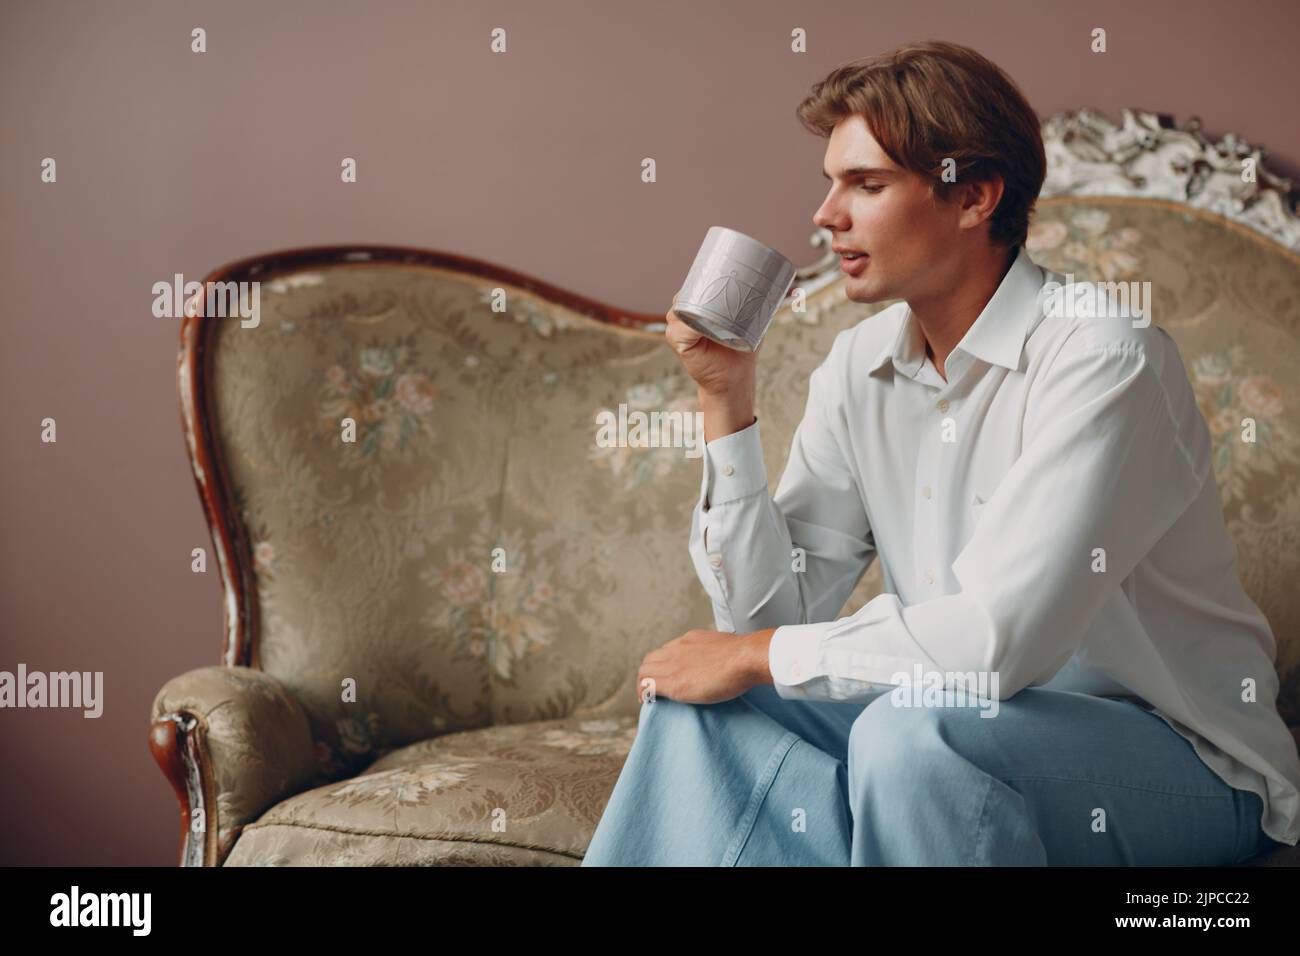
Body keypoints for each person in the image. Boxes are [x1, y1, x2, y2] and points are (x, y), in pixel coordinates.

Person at [581, 39, 1300, 866]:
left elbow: (1000, 640)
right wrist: (725, 400)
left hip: (1183, 762)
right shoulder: (858, 368)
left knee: (914, 734)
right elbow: (768, 626)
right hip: (952, 724)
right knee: (692, 702)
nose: (826, 214)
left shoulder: (1103, 358)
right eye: (831, 182)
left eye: (867, 184)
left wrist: (756, 656)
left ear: (974, 198)